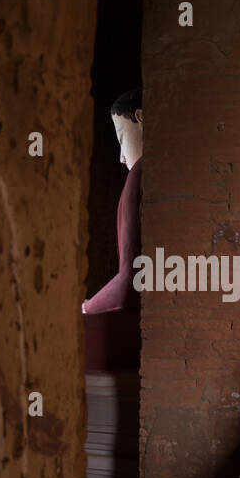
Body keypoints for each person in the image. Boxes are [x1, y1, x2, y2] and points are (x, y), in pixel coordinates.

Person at [83, 88, 143, 370]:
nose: (121, 157)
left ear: (141, 118)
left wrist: (88, 307)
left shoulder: (139, 178)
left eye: (122, 138)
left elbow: (132, 279)